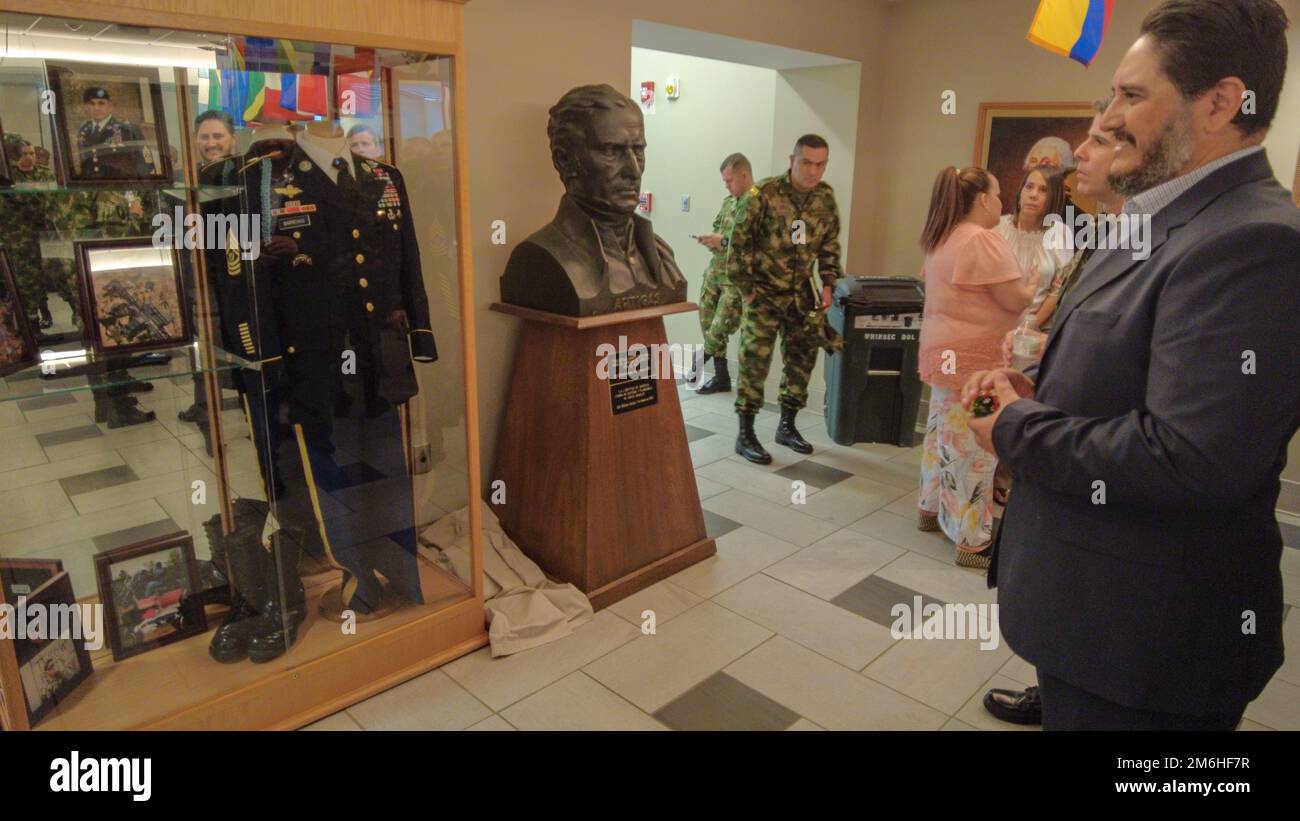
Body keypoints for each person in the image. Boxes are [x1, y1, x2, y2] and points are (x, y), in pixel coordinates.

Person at [966, 0, 1299, 730]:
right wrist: (1038, 390)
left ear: (1219, 102)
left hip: (1146, 645)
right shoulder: (1156, 216)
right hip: (1086, 615)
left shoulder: (1253, 242)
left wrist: (1020, 426)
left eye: (1132, 94)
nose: (1109, 118)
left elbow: (1192, 456)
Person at [983, 102, 1129, 726]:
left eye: (1099, 141)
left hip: (1106, 486)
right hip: (1062, 456)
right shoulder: (1108, 237)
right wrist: (1031, 386)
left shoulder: (1179, 245)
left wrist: (1018, 423)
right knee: (1062, 614)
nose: (1079, 158)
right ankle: (1055, 690)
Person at [915, 166, 1038, 568]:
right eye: (998, 195)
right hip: (975, 361)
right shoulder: (983, 240)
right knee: (974, 449)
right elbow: (1015, 300)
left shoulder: (941, 234)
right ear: (983, 199)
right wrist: (1034, 285)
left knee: (940, 436)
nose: (1002, 203)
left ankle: (930, 508)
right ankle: (972, 540)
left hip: (942, 353)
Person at [500, 84, 687, 316]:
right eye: (611, 151)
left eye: (638, 150)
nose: (634, 170)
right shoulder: (536, 261)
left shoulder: (662, 256)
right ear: (565, 160)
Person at [728, 134, 842, 464]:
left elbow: (830, 245)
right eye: (806, 162)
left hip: (802, 296)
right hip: (764, 294)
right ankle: (745, 433)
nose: (813, 171)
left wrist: (828, 283)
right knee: (754, 362)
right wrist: (747, 289)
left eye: (820, 164)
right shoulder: (762, 194)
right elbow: (738, 246)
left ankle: (787, 426)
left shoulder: (824, 198)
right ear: (791, 160)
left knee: (801, 360)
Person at [691, 152, 755, 394]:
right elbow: (720, 231)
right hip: (714, 274)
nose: (727, 186)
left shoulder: (759, 203)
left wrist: (725, 242)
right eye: (724, 182)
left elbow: (757, 243)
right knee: (707, 324)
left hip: (734, 281)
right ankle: (721, 378)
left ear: (744, 174)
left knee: (719, 329)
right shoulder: (729, 202)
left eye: (730, 181)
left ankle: (697, 363)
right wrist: (711, 240)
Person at [995, 165, 1072, 325]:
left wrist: (1030, 326)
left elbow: (1058, 290)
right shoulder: (997, 226)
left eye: (1044, 190)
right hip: (992, 322)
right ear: (1021, 191)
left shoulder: (1060, 233)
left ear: (1054, 197)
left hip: (1033, 329)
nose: (1033, 195)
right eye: (1029, 187)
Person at [75, 87, 152, 179]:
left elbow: (145, 164)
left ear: (110, 106)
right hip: (93, 185)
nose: (96, 108)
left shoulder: (127, 129)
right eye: (92, 104)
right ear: (86, 107)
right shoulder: (84, 129)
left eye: (101, 103)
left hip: (122, 184)